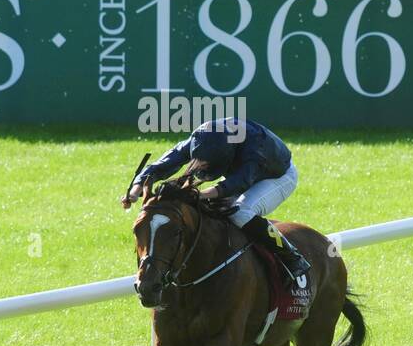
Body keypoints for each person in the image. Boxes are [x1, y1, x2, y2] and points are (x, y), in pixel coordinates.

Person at [122, 118, 311, 284]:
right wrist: (136, 188)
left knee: (240, 210)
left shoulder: (255, 147)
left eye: (207, 164)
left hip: (275, 176)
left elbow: (240, 182)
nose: (200, 167)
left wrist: (200, 195)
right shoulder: (203, 139)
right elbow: (164, 163)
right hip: (241, 171)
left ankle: (292, 258)